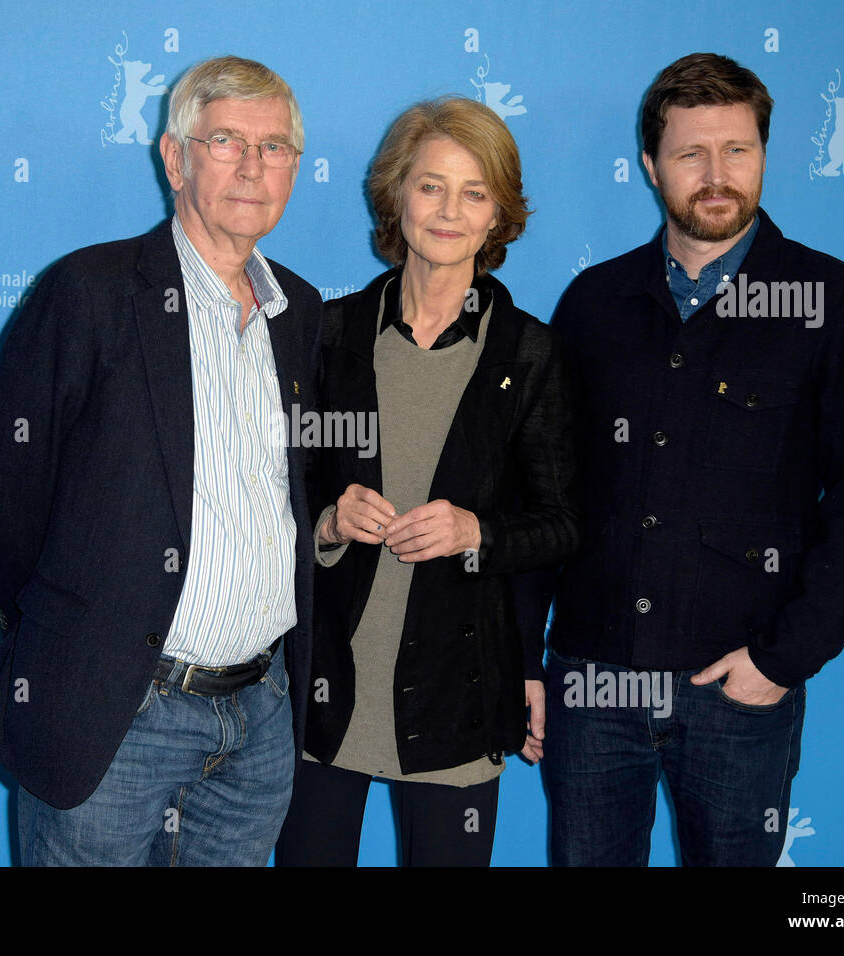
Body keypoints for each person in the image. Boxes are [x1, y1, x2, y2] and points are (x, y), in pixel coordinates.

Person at [0, 55, 322, 866]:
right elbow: (3, 491)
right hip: (118, 715)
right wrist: (67, 637)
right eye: (226, 139)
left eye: (275, 147)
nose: (252, 165)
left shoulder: (296, 311)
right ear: (174, 157)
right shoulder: (90, 292)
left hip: (260, 719)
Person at [542, 52, 844, 866]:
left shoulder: (829, 300)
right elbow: (548, 492)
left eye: (737, 150)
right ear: (649, 166)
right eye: (690, 153)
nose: (716, 174)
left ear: (765, 155)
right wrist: (534, 661)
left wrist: (784, 660)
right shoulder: (593, 304)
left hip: (739, 688)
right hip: (594, 683)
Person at [274, 97, 580, 867]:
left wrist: (478, 532)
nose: (449, 210)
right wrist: (329, 521)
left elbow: (564, 523)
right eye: (431, 186)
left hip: (460, 692)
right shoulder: (329, 333)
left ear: (498, 216)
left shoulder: (530, 353)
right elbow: (278, 491)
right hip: (324, 687)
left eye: (474, 192)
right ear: (395, 196)